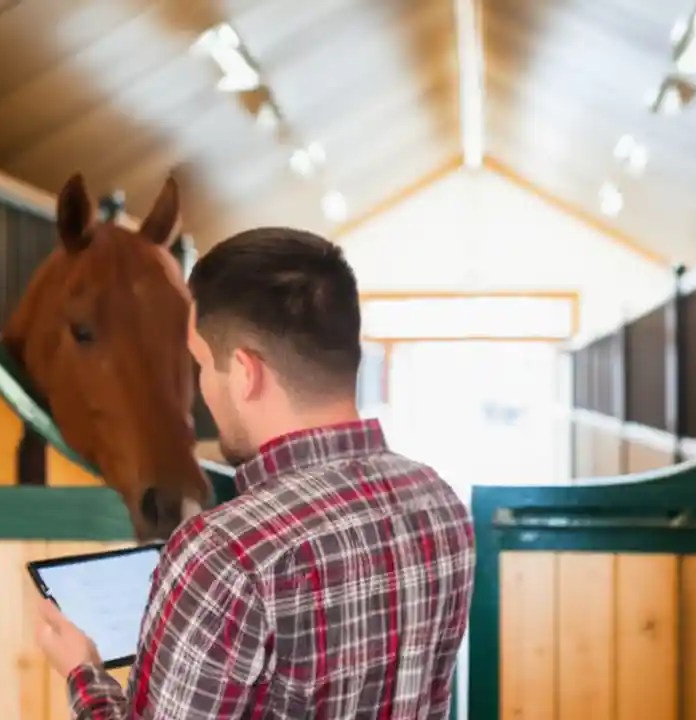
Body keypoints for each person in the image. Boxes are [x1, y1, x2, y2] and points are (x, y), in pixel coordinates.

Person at [36, 226, 476, 718]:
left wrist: (84, 673)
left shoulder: (223, 553)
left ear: (246, 373)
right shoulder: (440, 503)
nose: (203, 387)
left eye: (203, 365)